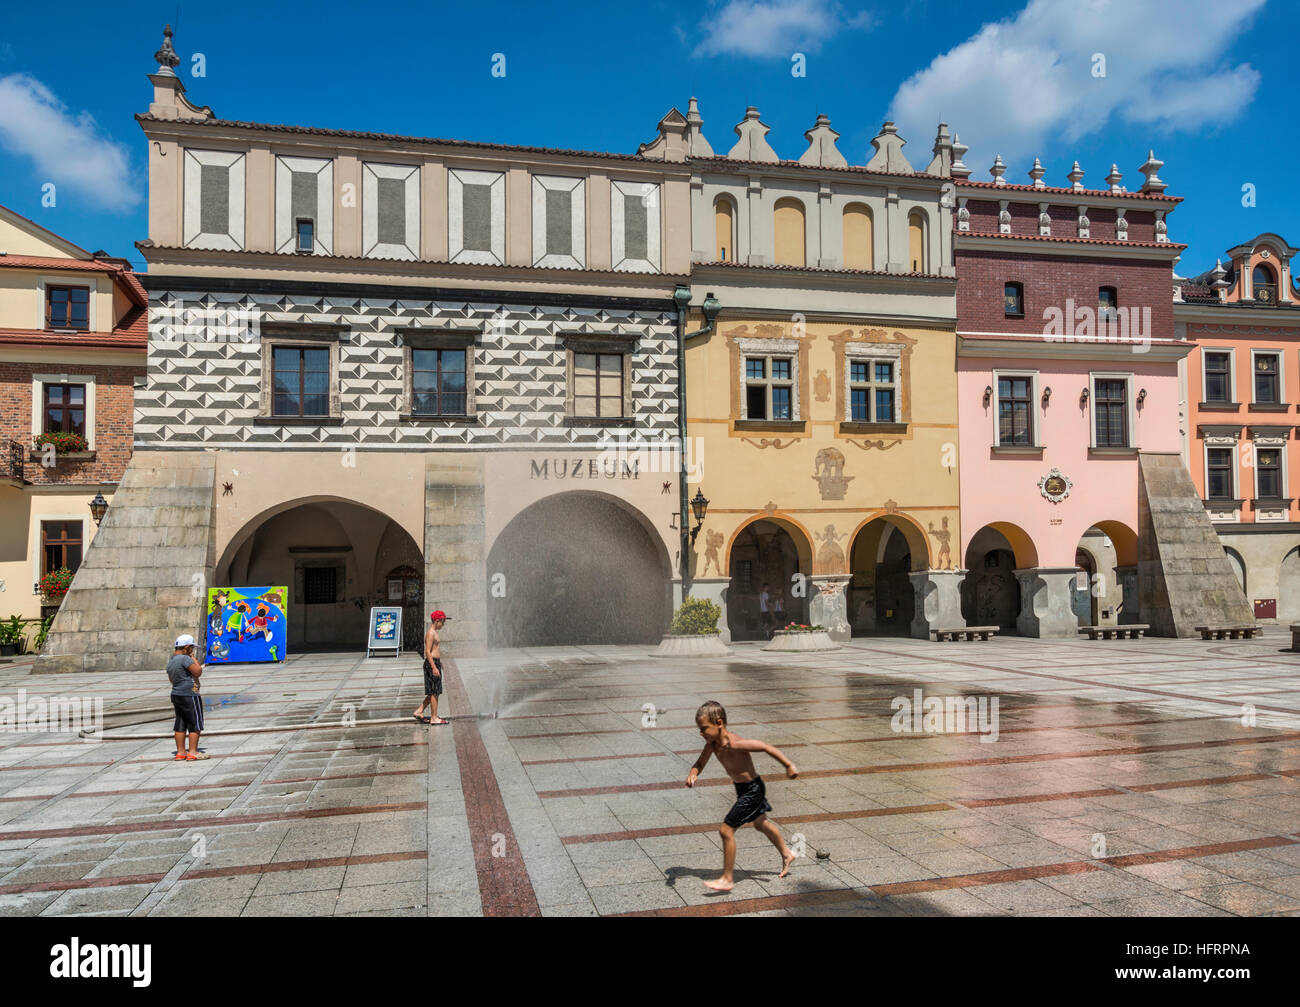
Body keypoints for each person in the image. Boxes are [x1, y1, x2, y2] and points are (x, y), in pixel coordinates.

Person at [686, 700, 797, 892]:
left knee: (726, 830)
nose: (701, 733)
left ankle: (728, 879)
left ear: (719, 723)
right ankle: (787, 853)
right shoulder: (712, 745)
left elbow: (765, 746)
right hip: (742, 789)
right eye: (700, 730)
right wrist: (693, 773)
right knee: (760, 823)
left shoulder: (735, 744)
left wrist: (788, 765)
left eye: (704, 728)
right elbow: (700, 763)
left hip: (753, 789)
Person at [167, 634, 208, 761]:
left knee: (180, 723)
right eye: (192, 648)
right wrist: (194, 659)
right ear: (187, 647)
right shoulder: (185, 659)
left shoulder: (172, 660)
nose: (192, 651)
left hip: (176, 694)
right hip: (189, 694)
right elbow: (198, 672)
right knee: (195, 723)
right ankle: (193, 752)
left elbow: (171, 679)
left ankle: (180, 752)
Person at [414, 610, 450, 726]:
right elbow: (427, 652)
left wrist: (439, 663)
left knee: (433, 691)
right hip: (431, 663)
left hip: (435, 662)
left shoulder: (434, 632)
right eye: (443, 621)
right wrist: (434, 667)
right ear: (437, 620)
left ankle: (419, 711)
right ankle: (434, 718)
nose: (443, 624)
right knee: (435, 691)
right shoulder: (431, 633)